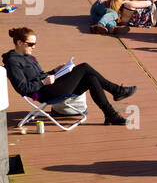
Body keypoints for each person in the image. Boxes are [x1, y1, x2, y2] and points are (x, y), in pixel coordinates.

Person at [2, 25, 136, 124]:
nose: (34, 47)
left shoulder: (28, 56)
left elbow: (39, 75)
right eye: (31, 44)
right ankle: (117, 90)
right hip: (42, 93)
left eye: (35, 43)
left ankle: (110, 114)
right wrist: (43, 82)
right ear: (19, 43)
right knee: (84, 67)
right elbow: (22, 88)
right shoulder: (12, 62)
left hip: (50, 86)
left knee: (91, 78)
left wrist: (54, 71)